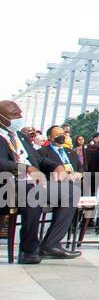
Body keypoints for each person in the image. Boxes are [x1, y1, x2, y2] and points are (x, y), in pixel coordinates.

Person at [0, 105, 81, 262]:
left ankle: (51, 244)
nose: (19, 117)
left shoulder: (19, 136)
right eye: (14, 114)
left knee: (71, 191)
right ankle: (28, 250)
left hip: (32, 182)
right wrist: (26, 168)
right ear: (2, 118)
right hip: (8, 184)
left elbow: (37, 157)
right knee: (33, 192)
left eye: (20, 113)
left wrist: (55, 165)